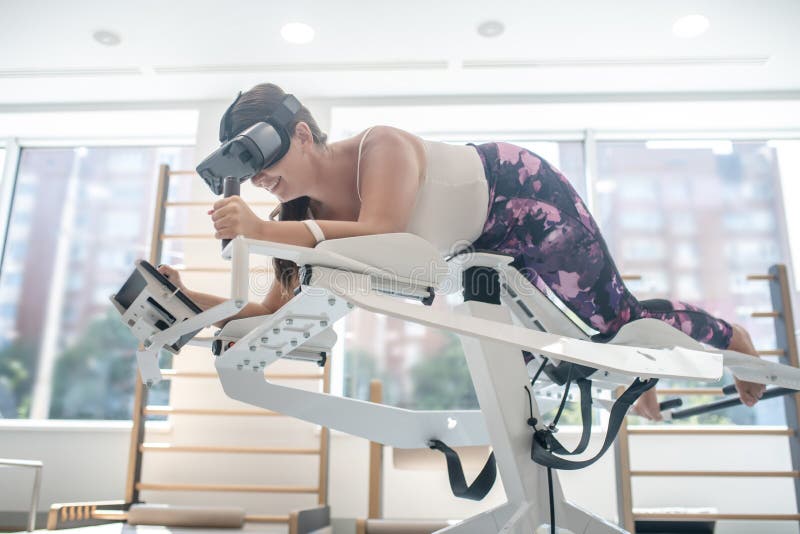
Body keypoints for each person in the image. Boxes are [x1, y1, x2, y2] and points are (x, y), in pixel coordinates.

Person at [157, 83, 765, 420]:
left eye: (263, 162)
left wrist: (260, 232)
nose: (260, 180)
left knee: (613, 321)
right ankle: (639, 370)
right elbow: (271, 312)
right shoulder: (301, 218)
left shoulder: (379, 146)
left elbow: (385, 229)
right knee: (571, 346)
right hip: (480, 247)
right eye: (250, 172)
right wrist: (188, 301)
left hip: (523, 195)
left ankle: (728, 335)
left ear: (300, 134)